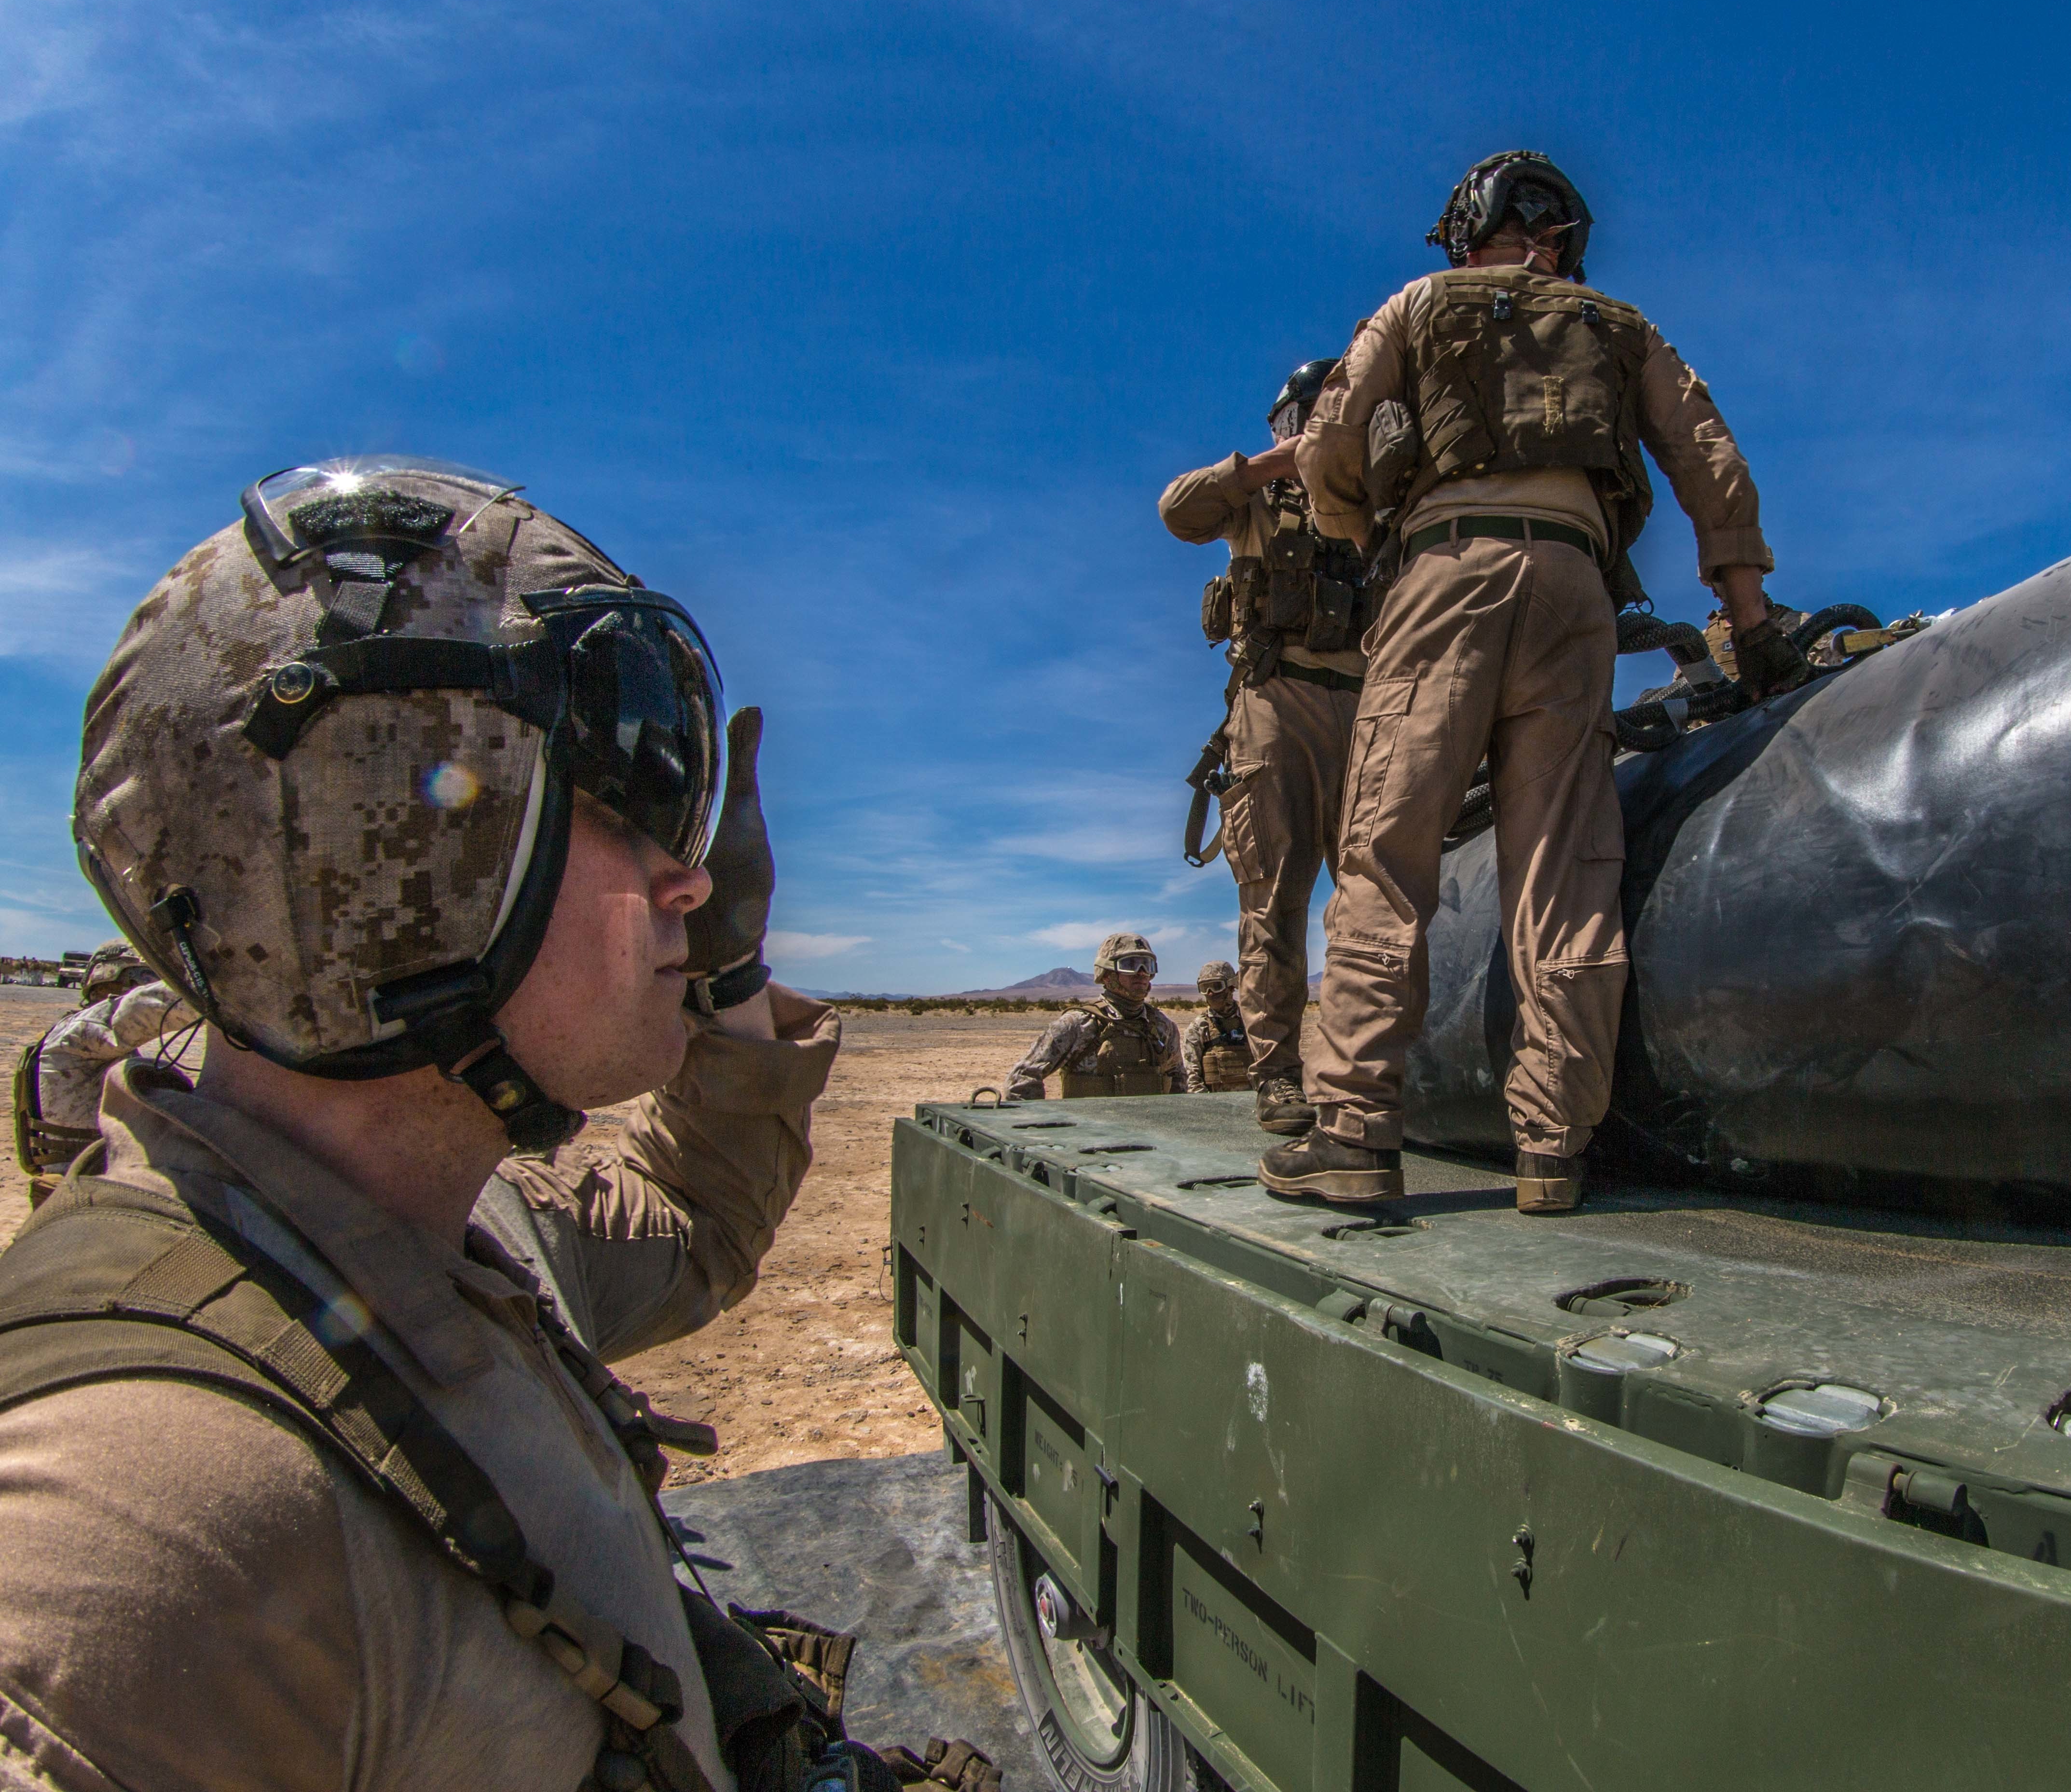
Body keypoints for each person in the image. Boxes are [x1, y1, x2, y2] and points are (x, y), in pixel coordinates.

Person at [0, 459, 996, 1792]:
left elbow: (696, 1226)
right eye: (622, 805)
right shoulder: (144, 1519)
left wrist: (727, 979)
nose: (686, 879)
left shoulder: (462, 1230)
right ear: (389, 858)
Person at [1263, 150, 1795, 1215]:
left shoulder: (1417, 305)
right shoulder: (1622, 326)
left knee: (1387, 855)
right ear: (1565, 239)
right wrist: (1751, 621)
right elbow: (1711, 462)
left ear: (1468, 229)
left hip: (1444, 570)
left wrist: (1368, 532)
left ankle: (1356, 1133)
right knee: (1566, 866)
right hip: (1574, 588)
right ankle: (1553, 1149)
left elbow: (1327, 453)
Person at [1160, 361, 1370, 1135]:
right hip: (1276, 701)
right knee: (1275, 899)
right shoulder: (1257, 500)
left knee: (1375, 902)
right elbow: (1178, 510)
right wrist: (1278, 462)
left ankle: (1367, 1071)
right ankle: (1278, 1072)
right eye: (1305, 418)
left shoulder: (1374, 502)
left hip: (1372, 707)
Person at [10, 940, 190, 1204]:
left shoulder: (89, 1039)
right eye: (146, 976)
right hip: (87, 1194)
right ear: (113, 978)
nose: (150, 983)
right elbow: (154, 1004)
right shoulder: (81, 1033)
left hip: (85, 1187)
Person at [1005, 932, 1188, 1099]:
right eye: (1130, 965)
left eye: (1147, 966)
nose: (1142, 973)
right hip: (1090, 1126)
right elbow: (1022, 1080)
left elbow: (1178, 1085)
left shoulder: (1164, 1027)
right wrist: (1042, 1121)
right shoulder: (1079, 1025)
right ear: (1107, 975)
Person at [1182, 960, 1252, 1092]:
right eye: (1205, 988)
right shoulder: (1199, 1028)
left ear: (1231, 986)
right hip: (1215, 1101)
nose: (1210, 993)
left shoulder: (1250, 1021)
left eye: (1216, 986)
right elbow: (1193, 1079)